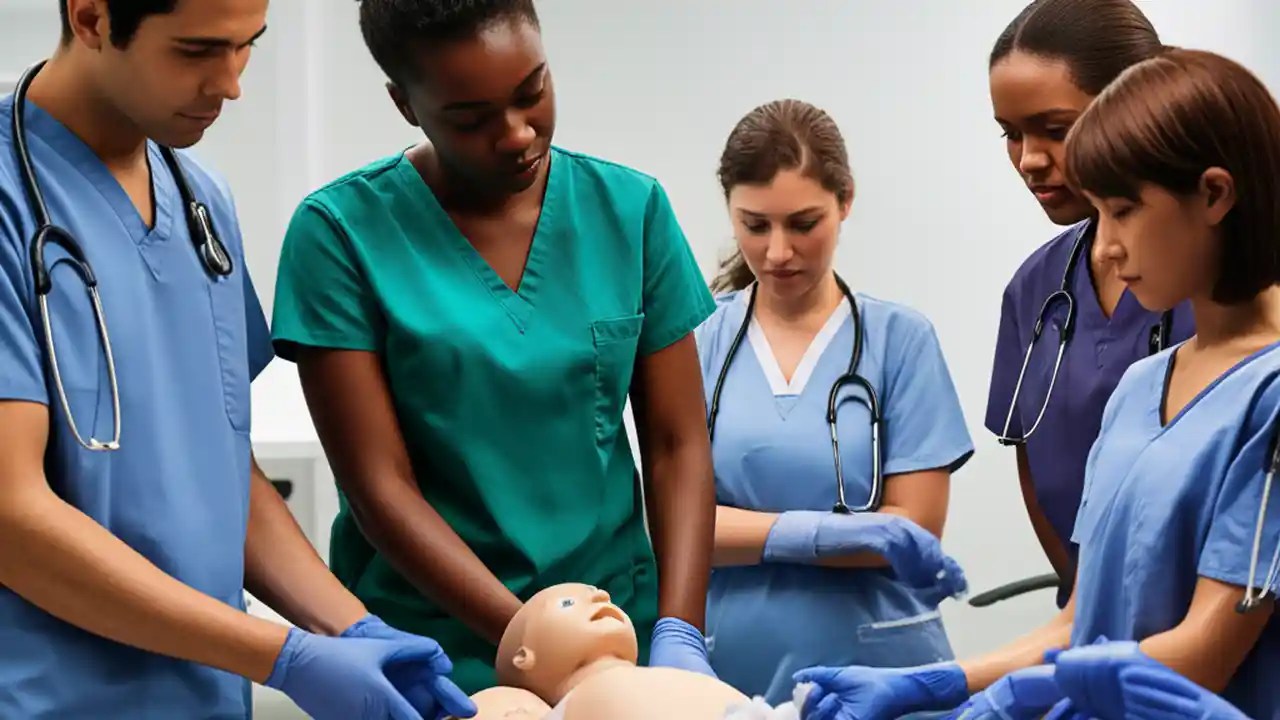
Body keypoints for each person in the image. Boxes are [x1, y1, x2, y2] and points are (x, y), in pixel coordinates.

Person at [0, 1, 476, 719]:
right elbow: (12, 518)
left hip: (207, 697)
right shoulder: (12, 202)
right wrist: (281, 656)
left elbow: (225, 477)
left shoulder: (202, 200)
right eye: (196, 51)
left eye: (246, 45)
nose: (231, 84)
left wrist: (353, 629)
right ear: (92, 17)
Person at [794, 47, 1280, 720]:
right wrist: (938, 681)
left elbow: (1201, 654)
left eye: (1124, 210)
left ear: (1214, 194)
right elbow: (1078, 623)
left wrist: (1030, 692)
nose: (1105, 246)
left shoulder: (1268, 394)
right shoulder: (1141, 387)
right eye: (1097, 216)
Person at [270, 0, 719, 694]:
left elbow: (676, 444)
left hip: (615, 636)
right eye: (470, 118)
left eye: (532, 92)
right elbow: (379, 488)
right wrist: (540, 644)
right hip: (435, 658)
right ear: (405, 104)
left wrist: (679, 633)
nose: (516, 134)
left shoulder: (629, 210)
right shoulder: (340, 234)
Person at [694, 99, 974, 705]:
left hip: (886, 674)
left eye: (803, 223)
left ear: (845, 201)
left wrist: (747, 533)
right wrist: (827, 534)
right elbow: (676, 524)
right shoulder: (698, 340)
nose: (777, 252)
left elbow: (915, 527)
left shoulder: (899, 340)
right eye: (755, 225)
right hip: (730, 681)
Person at [983, 0, 1195, 607]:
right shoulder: (1036, 288)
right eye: (1011, 133)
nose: (1029, 159)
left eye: (1056, 129)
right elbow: (1032, 455)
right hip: (1091, 614)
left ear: (1137, 106)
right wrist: (1087, 601)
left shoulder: (1229, 274)